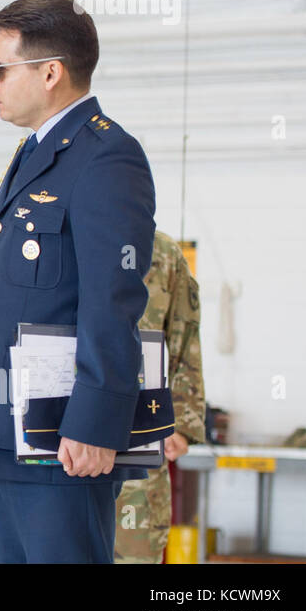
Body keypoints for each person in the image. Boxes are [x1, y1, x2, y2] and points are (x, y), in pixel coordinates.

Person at [0, 0, 157, 564]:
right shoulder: (34, 154)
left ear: (51, 72)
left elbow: (114, 300)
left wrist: (95, 424)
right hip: (8, 432)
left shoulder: (107, 156)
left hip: (63, 438)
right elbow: (4, 310)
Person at [114, 230, 205, 562]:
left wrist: (180, 422)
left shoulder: (162, 253)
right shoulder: (50, 238)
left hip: (138, 443)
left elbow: (185, 338)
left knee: (134, 552)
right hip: (54, 443)